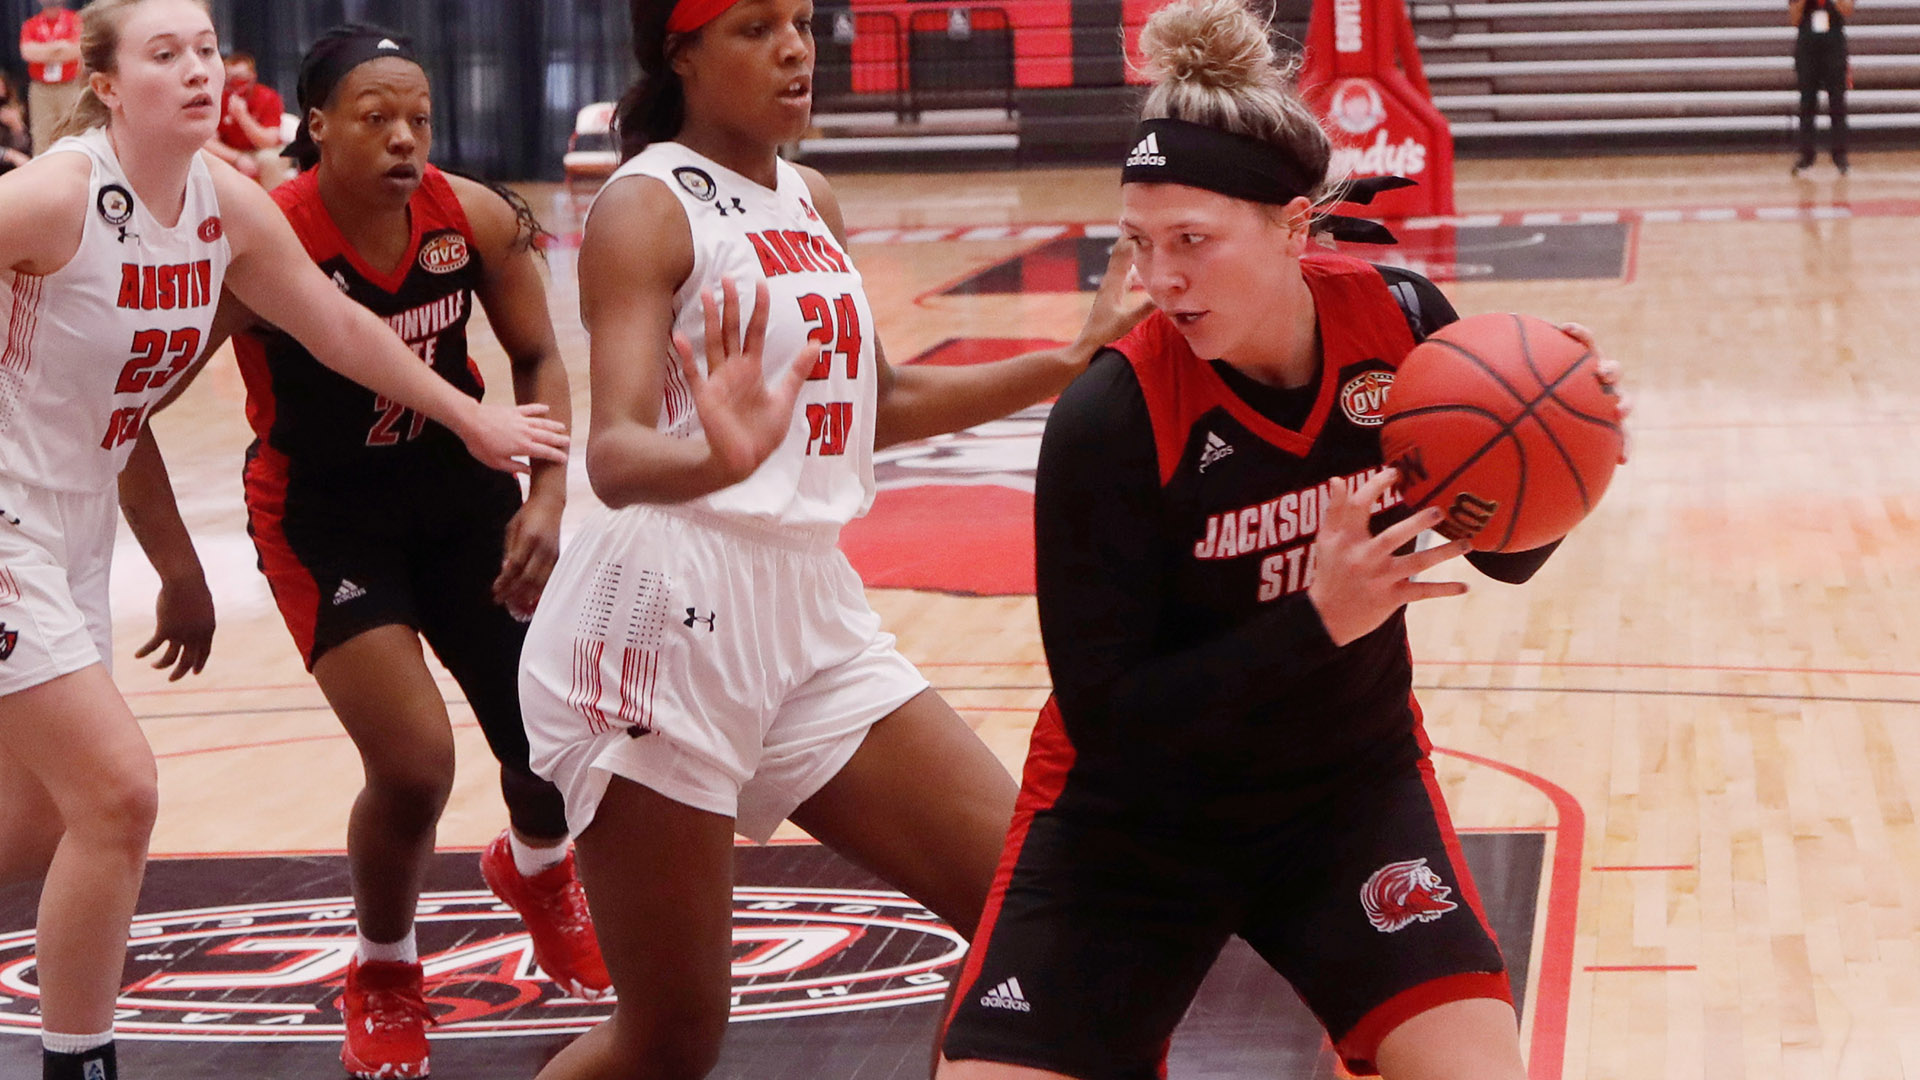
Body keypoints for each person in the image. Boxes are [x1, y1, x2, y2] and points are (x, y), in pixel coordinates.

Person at [936, 2, 1630, 1078]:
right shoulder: (1111, 417)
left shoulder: (1400, 326)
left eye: (1192, 243)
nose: (1159, 281)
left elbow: (1501, 551)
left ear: (1295, 227)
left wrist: (1568, 447)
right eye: (1138, 246)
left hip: (1342, 796)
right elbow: (1110, 719)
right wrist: (1318, 621)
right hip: (1129, 827)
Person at [513, 0, 1149, 1076]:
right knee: (671, 1041)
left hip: (806, 605)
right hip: (661, 618)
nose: (799, 49)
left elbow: (878, 401)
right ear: (681, 52)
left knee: (1039, 906)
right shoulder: (646, 207)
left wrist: (1066, 364)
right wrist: (719, 456)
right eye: (755, 27)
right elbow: (616, 454)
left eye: (803, 22)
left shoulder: (809, 197)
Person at [0, 2, 567, 1079]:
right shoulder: (56, 193)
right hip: (3, 516)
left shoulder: (223, 203)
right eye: (165, 55)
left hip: (69, 522)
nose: (199, 69)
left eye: (207, 49)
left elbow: (342, 327)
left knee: (30, 828)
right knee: (119, 793)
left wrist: (471, 418)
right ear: (111, 85)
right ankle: (82, 1065)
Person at [172, 25, 606, 1080]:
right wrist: (179, 568)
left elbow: (541, 353)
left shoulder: (479, 216)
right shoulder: (260, 243)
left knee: (550, 739)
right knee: (413, 766)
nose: (406, 137)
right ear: (315, 127)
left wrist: (548, 495)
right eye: (377, 117)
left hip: (461, 494)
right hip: (325, 515)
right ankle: (383, 971)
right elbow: (139, 402)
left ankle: (541, 869)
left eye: (419, 116)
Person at [204, 50, 289, 189]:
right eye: (230, 79)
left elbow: (269, 141)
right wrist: (237, 158)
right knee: (204, 159)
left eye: (241, 78)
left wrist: (243, 117)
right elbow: (207, 142)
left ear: (253, 77)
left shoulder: (268, 97)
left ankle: (276, 206)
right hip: (233, 152)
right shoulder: (217, 99)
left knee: (270, 160)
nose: (236, 84)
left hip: (263, 150)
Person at [1790, 0, 1852, 174]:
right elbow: (1794, 19)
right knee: (1807, 104)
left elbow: (1847, 10)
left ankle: (1840, 157)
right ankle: (1806, 157)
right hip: (1807, 50)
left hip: (1834, 49)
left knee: (1837, 103)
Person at [19, 0, 81, 155]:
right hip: (41, 89)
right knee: (41, 137)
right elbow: (28, 53)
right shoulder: (31, 24)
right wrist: (60, 47)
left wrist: (44, 51)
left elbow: (77, 50)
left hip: (70, 86)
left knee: (74, 133)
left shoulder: (76, 20)